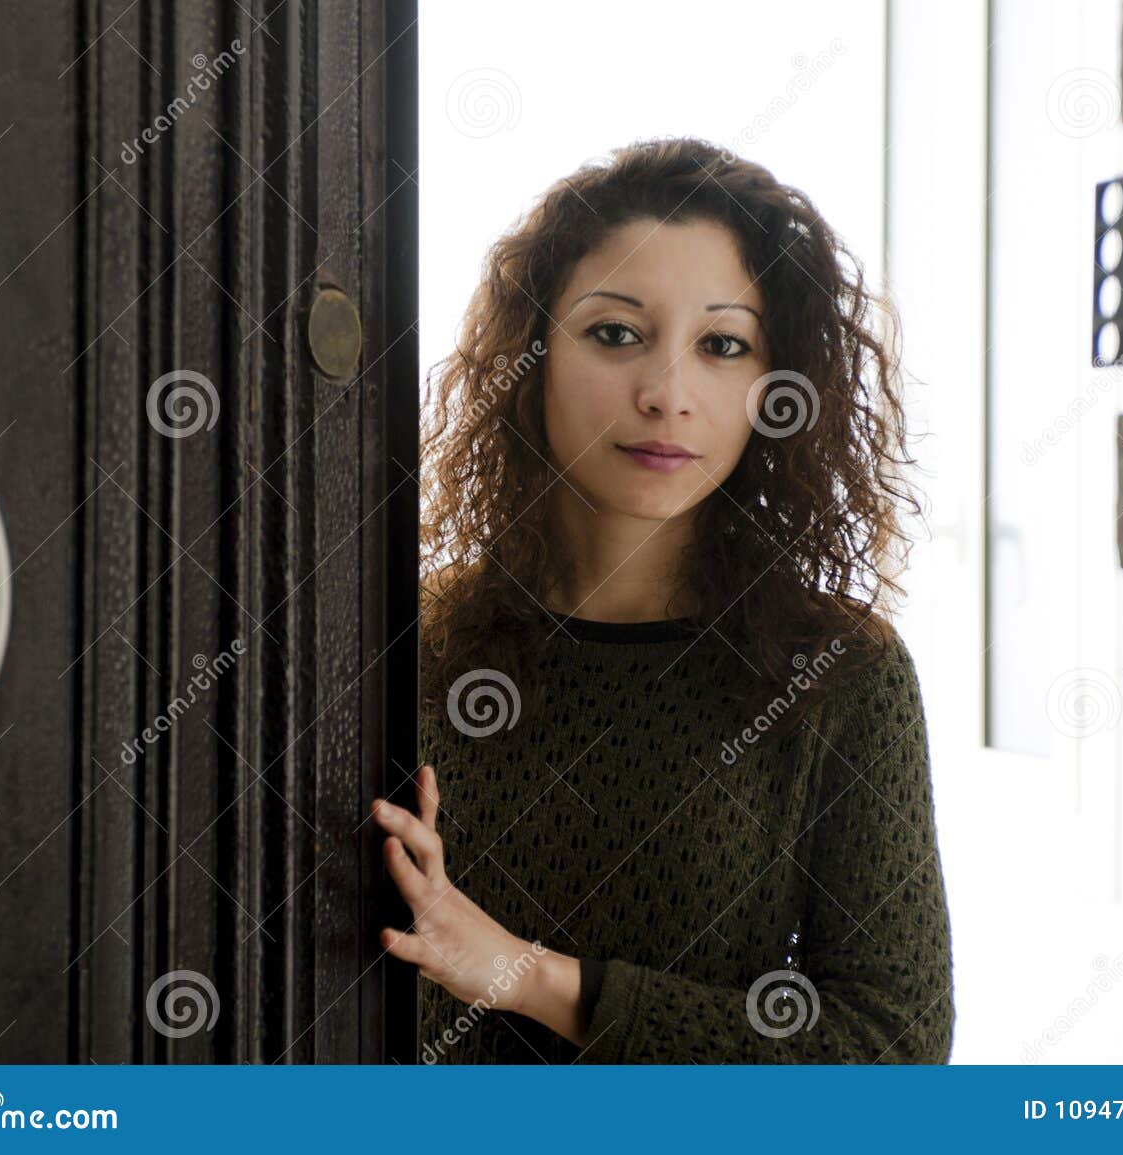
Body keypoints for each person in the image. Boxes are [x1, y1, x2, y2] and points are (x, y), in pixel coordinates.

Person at [371, 135, 954, 1063]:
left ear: (774, 386)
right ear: (532, 353)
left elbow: (891, 1048)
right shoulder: (410, 639)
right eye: (616, 334)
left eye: (722, 345)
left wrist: (533, 976)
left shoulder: (840, 671)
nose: (666, 392)